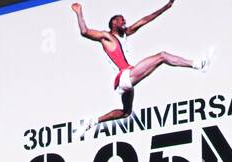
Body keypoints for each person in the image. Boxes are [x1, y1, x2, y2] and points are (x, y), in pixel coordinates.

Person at [73, 2, 213, 125]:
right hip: (124, 76)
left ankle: (93, 121)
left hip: (125, 81)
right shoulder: (106, 36)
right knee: (162, 56)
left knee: (126, 112)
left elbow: (144, 20)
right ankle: (198, 65)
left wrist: (165, 8)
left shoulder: (125, 34)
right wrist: (79, 13)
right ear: (114, 23)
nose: (125, 21)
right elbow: (84, 31)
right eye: (122, 20)